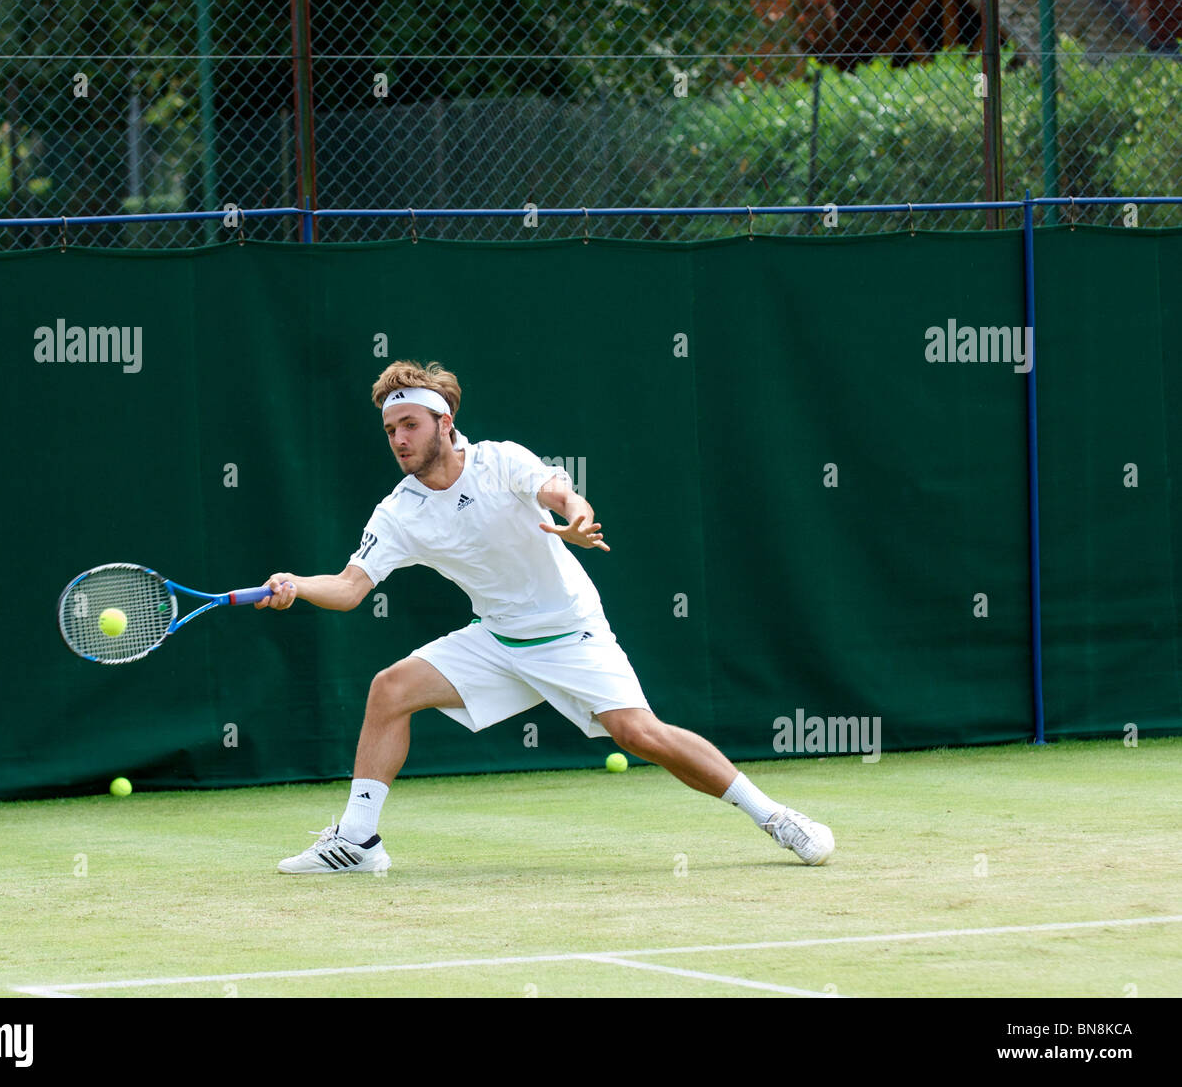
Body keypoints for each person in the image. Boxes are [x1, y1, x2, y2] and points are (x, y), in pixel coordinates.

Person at [257, 360, 834, 873]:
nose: (400, 439)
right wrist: (296, 586)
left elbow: (561, 493)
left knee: (640, 734)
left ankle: (776, 817)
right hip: (498, 639)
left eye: (411, 425)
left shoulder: (501, 461)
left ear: (445, 422)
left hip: (570, 632)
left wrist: (578, 517)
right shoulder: (398, 511)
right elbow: (350, 587)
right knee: (391, 688)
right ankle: (358, 842)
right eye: (391, 430)